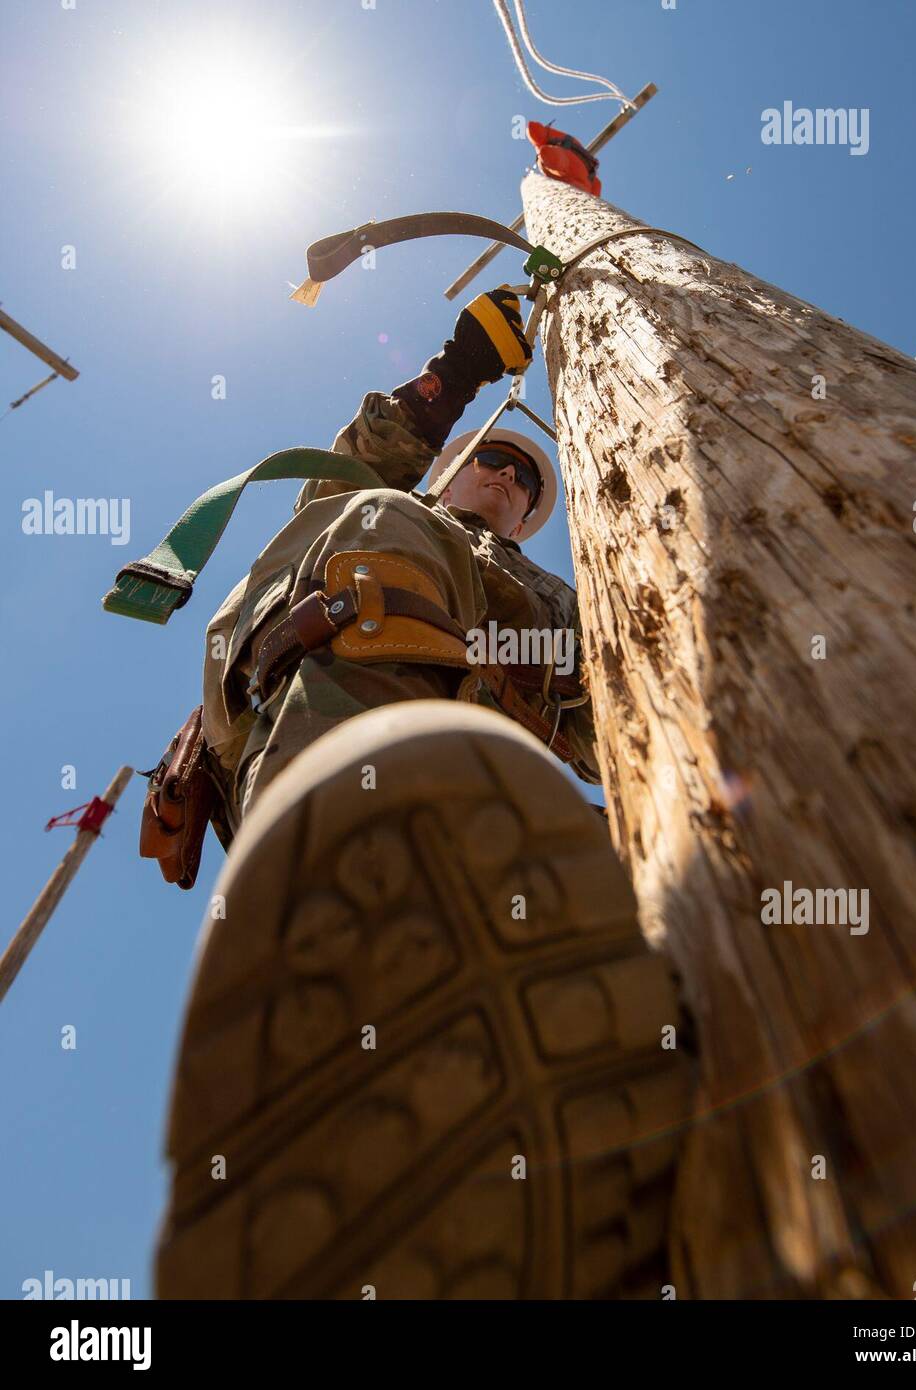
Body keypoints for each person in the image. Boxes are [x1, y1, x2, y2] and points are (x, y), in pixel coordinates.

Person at [156, 287, 691, 1300]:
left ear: (536, 514)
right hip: (316, 721)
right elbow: (379, 449)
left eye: (523, 479)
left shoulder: (547, 602)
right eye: (491, 457)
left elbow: (630, 712)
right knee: (381, 517)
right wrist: (461, 365)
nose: (502, 475)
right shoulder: (368, 506)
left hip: (488, 821)